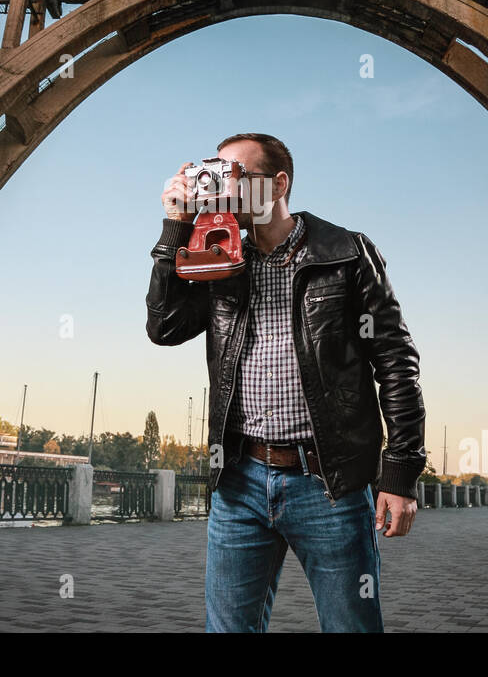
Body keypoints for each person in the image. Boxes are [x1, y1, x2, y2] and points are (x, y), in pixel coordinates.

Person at [145, 132, 427, 632]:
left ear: (279, 184)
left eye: (238, 177)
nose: (225, 188)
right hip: (239, 482)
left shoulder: (345, 252)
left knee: (351, 627)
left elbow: (395, 360)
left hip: (328, 484)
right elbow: (164, 328)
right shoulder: (217, 255)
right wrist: (174, 229)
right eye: (217, 176)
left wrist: (400, 471)